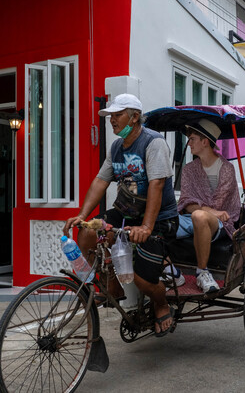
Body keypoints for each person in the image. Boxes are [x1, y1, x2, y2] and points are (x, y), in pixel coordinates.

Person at [63, 93, 179, 337]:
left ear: (135, 117)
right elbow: (100, 180)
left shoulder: (153, 142)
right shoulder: (116, 147)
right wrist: (82, 215)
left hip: (158, 219)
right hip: (126, 213)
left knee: (142, 281)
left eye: (118, 115)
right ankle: (110, 287)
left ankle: (161, 303)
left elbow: (157, 184)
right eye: (110, 116)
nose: (112, 121)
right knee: (86, 232)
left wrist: (147, 227)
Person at [168, 118, 240, 293]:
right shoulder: (189, 169)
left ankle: (202, 272)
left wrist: (203, 210)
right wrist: (208, 210)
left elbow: (221, 209)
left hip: (221, 224)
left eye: (192, 139)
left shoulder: (226, 169)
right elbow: (186, 202)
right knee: (157, 220)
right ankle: (171, 271)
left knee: (199, 216)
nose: (189, 143)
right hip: (191, 218)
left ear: (205, 142)